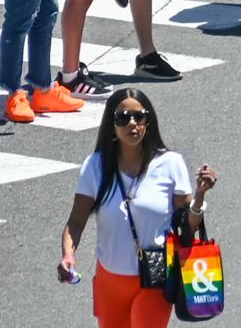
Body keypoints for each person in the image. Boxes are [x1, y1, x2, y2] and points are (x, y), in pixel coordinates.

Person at [61, 88, 215, 328]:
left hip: (154, 279)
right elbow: (75, 223)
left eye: (139, 116)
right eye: (123, 117)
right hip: (109, 282)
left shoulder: (170, 164)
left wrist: (200, 195)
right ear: (111, 125)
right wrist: (68, 254)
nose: (132, 123)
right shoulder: (95, 166)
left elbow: (186, 227)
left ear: (147, 121)